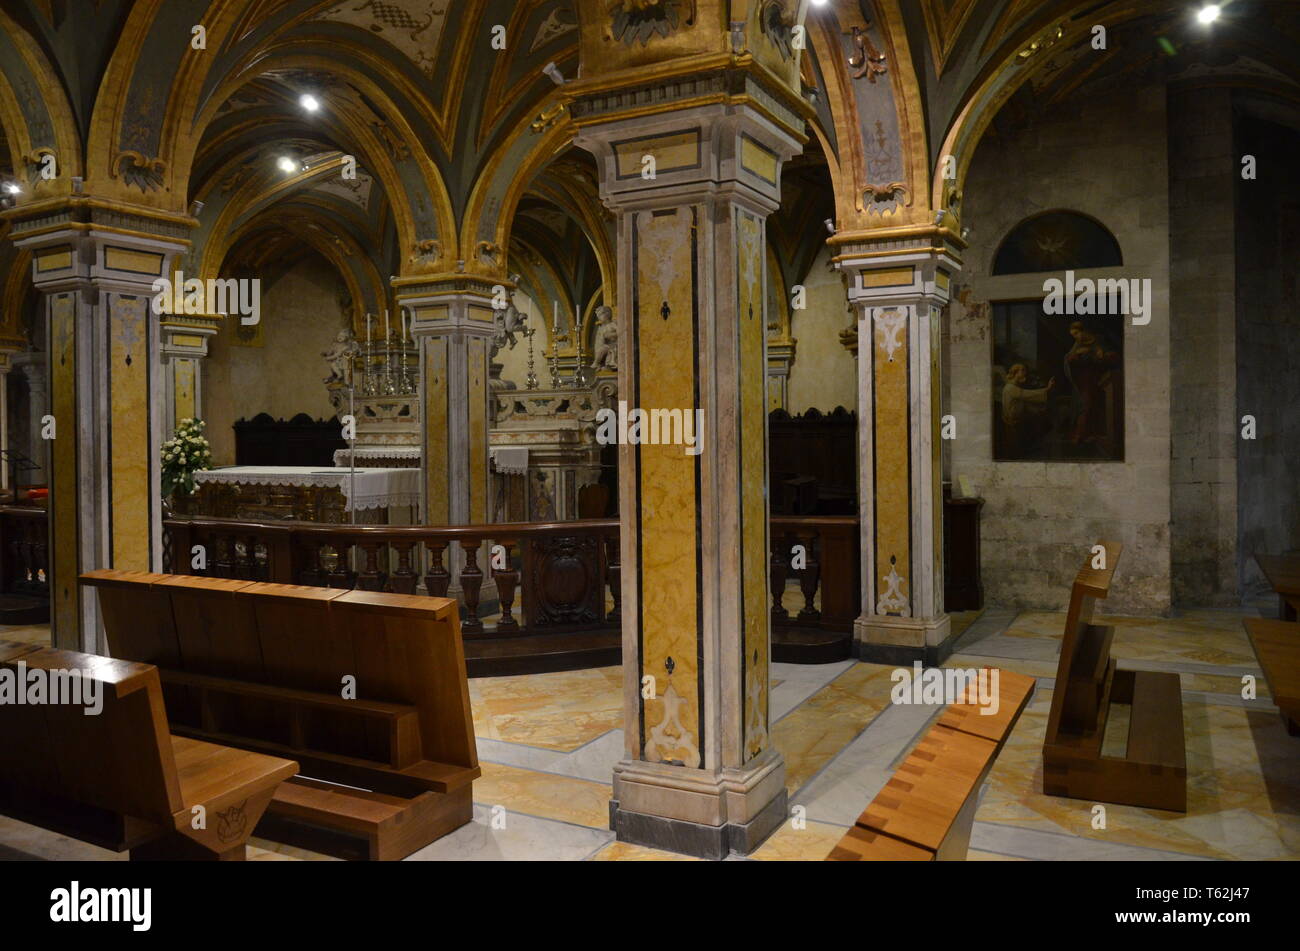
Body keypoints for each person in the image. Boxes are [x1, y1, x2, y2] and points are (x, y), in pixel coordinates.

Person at [1001, 363, 1055, 456]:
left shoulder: (1012, 387)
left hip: (1015, 419)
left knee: (1040, 417)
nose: (1025, 373)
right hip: (1014, 422)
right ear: (1015, 373)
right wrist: (1048, 389)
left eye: (1024, 370)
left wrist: (1037, 410)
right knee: (1042, 422)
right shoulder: (1011, 388)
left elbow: (1023, 403)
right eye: (1022, 370)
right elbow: (1028, 394)